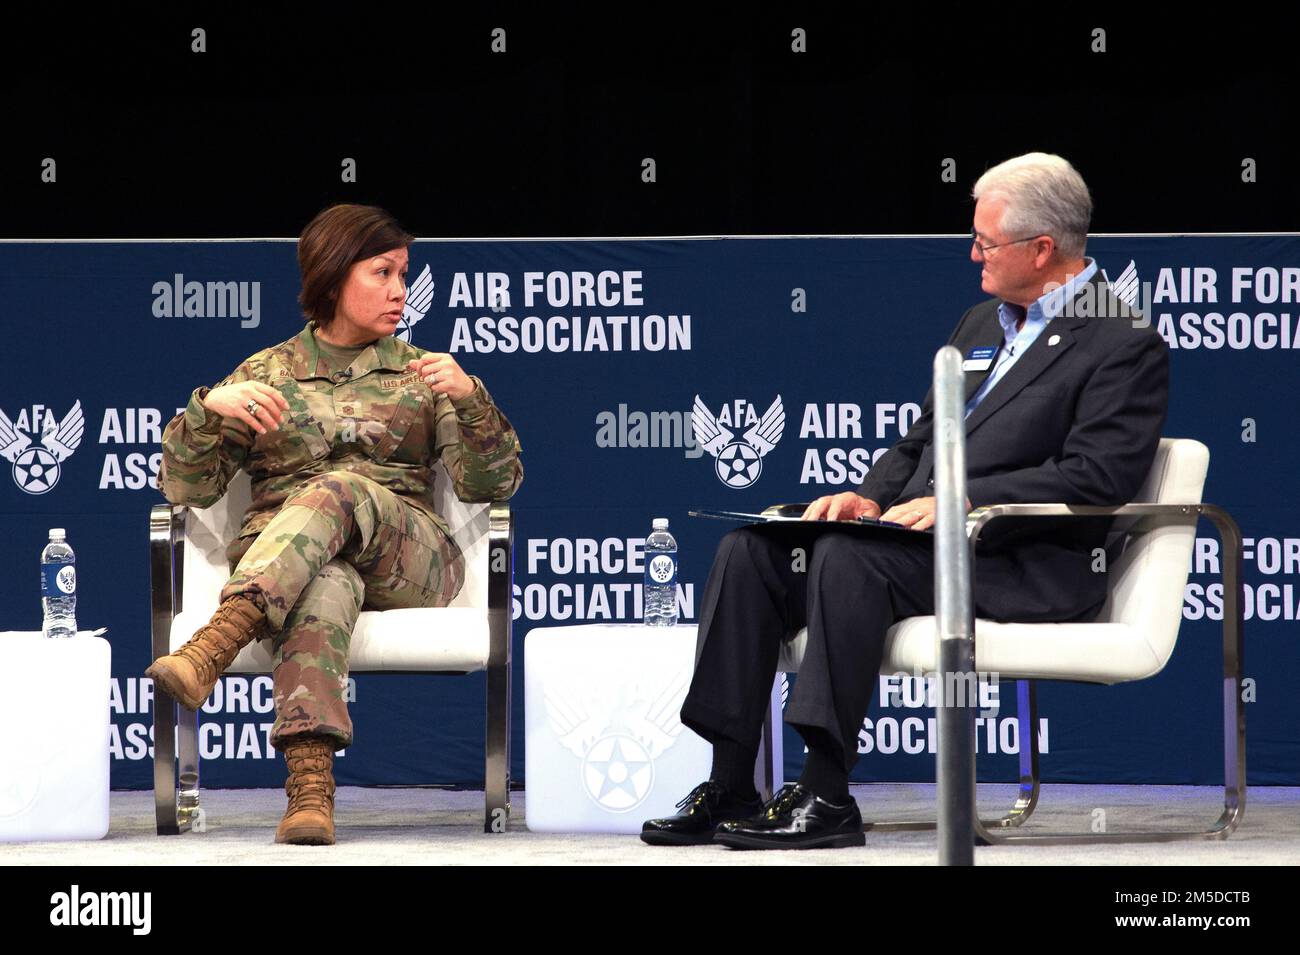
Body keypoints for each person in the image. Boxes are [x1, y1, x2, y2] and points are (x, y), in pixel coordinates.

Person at [642, 152, 1169, 850]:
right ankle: (731, 779)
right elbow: (919, 443)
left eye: (987, 242)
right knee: (753, 551)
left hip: (1026, 558)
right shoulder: (981, 323)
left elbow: (1097, 475)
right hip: (928, 545)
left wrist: (963, 500)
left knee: (849, 562)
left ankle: (826, 792)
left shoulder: (1122, 341)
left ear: (1043, 250)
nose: (973, 254)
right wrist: (869, 496)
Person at [146, 203, 524, 845]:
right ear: (333, 274)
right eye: (382, 272)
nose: (401, 290)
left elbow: (491, 485)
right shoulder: (263, 375)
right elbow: (186, 488)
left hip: (410, 561)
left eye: (404, 273)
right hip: (292, 569)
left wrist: (471, 398)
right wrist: (208, 411)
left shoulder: (426, 375)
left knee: (340, 490)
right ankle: (310, 792)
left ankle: (214, 646)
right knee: (324, 584)